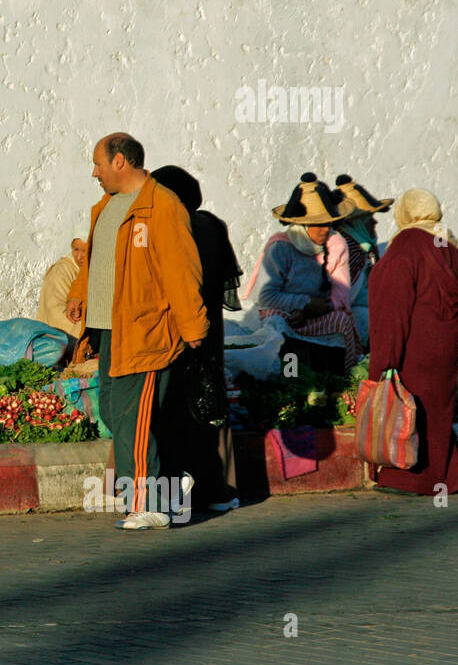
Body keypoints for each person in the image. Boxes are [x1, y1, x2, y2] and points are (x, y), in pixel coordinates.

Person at [65, 134, 208, 530]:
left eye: (98, 164)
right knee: (114, 411)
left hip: (146, 330)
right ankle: (174, 479)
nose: (94, 173)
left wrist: (193, 325)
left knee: (137, 420)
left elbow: (181, 271)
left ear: (121, 162)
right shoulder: (107, 206)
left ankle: (152, 505)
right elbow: (97, 260)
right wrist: (81, 294)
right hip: (110, 329)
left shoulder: (162, 206)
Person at [151, 164, 243, 513]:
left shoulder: (172, 227)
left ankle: (172, 495)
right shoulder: (211, 226)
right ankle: (216, 490)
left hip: (175, 334)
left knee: (172, 412)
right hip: (209, 334)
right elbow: (221, 287)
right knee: (206, 409)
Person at [367, 189, 458, 495]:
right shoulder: (450, 248)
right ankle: (444, 479)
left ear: (405, 213)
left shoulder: (407, 246)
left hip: (413, 347)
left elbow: (392, 309)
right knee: (436, 412)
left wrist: (386, 359)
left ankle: (408, 478)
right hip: (444, 349)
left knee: (408, 412)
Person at [241, 172, 362, 372]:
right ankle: (289, 375)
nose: (325, 230)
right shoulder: (281, 248)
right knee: (278, 326)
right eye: (319, 224)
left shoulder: (336, 243)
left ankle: (335, 377)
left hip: (320, 312)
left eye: (328, 223)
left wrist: (318, 307)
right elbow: (266, 295)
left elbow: (341, 293)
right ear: (302, 224)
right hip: (284, 311)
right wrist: (303, 304)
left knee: (343, 321)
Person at [330, 174, 393, 348]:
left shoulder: (361, 247)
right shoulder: (350, 248)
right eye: (368, 218)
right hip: (348, 318)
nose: (374, 221)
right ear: (356, 223)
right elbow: (345, 297)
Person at [37, 238, 88, 339]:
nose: (79, 257)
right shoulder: (60, 272)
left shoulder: (93, 270)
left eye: (84, 251)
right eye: (76, 250)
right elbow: (55, 313)